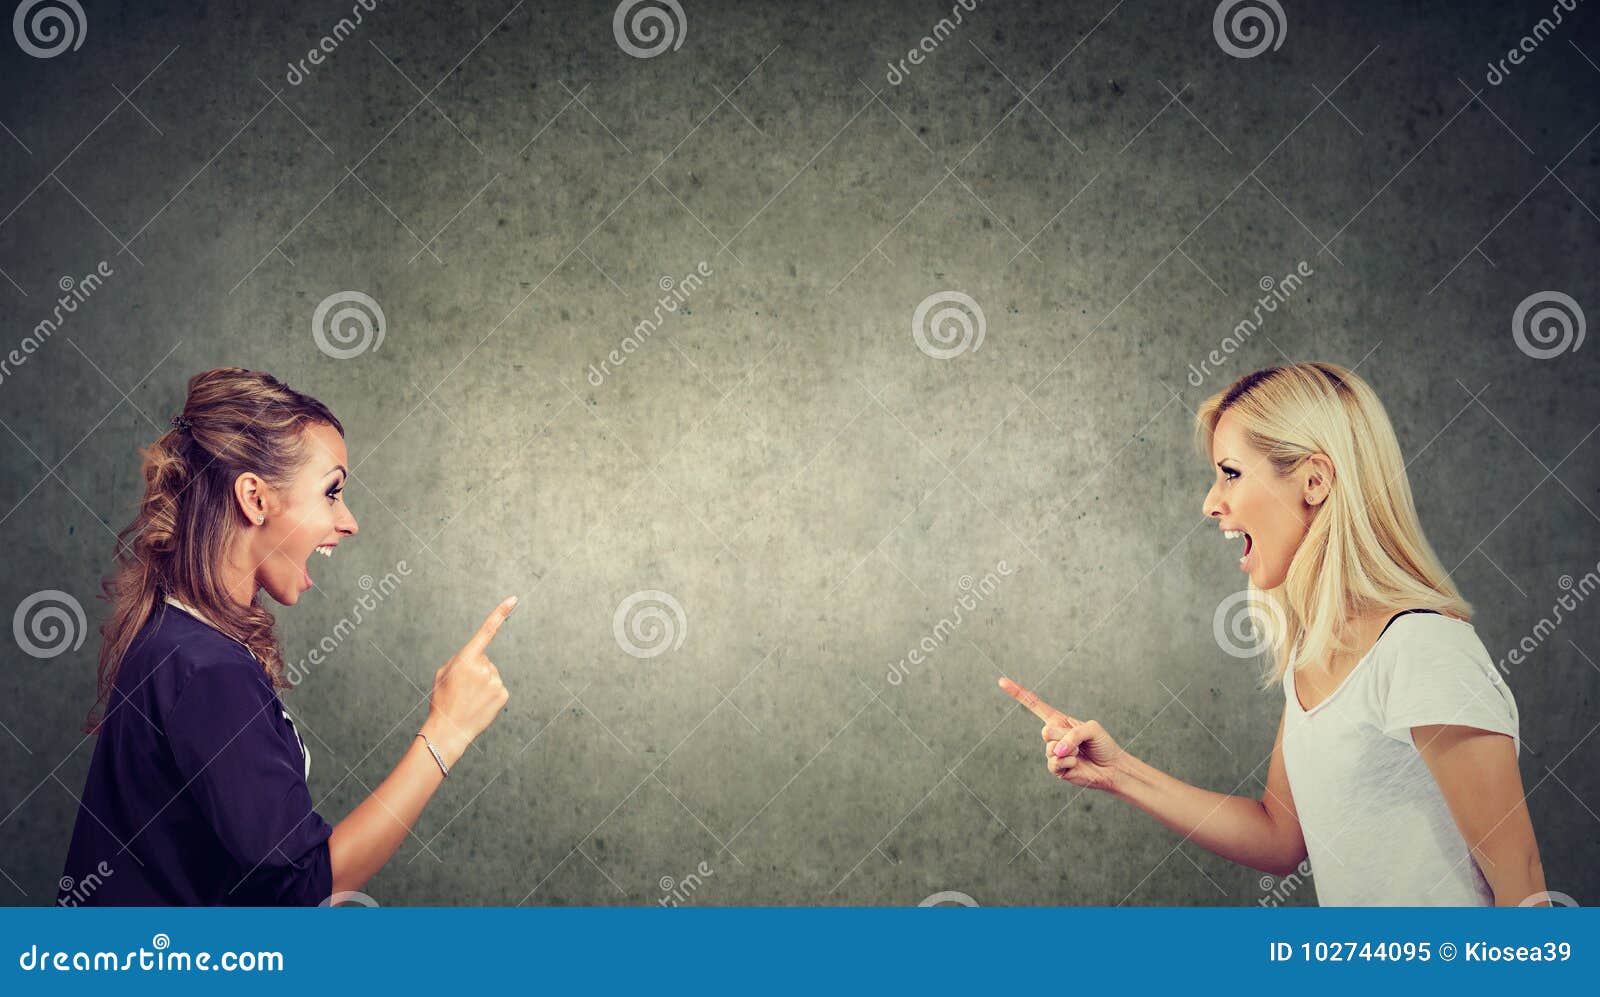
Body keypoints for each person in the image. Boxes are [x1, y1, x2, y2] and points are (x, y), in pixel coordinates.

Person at [1000, 361, 1548, 906]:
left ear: (1316, 480)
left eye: (1231, 473)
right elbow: (1279, 837)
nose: (1211, 502)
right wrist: (1118, 772)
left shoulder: (1423, 649)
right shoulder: (1310, 657)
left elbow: (1521, 882)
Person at [56, 367, 515, 905]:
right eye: (332, 492)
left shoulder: (175, 634)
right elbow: (303, 889)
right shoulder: (209, 672)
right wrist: (448, 731)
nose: (349, 522)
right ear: (255, 498)